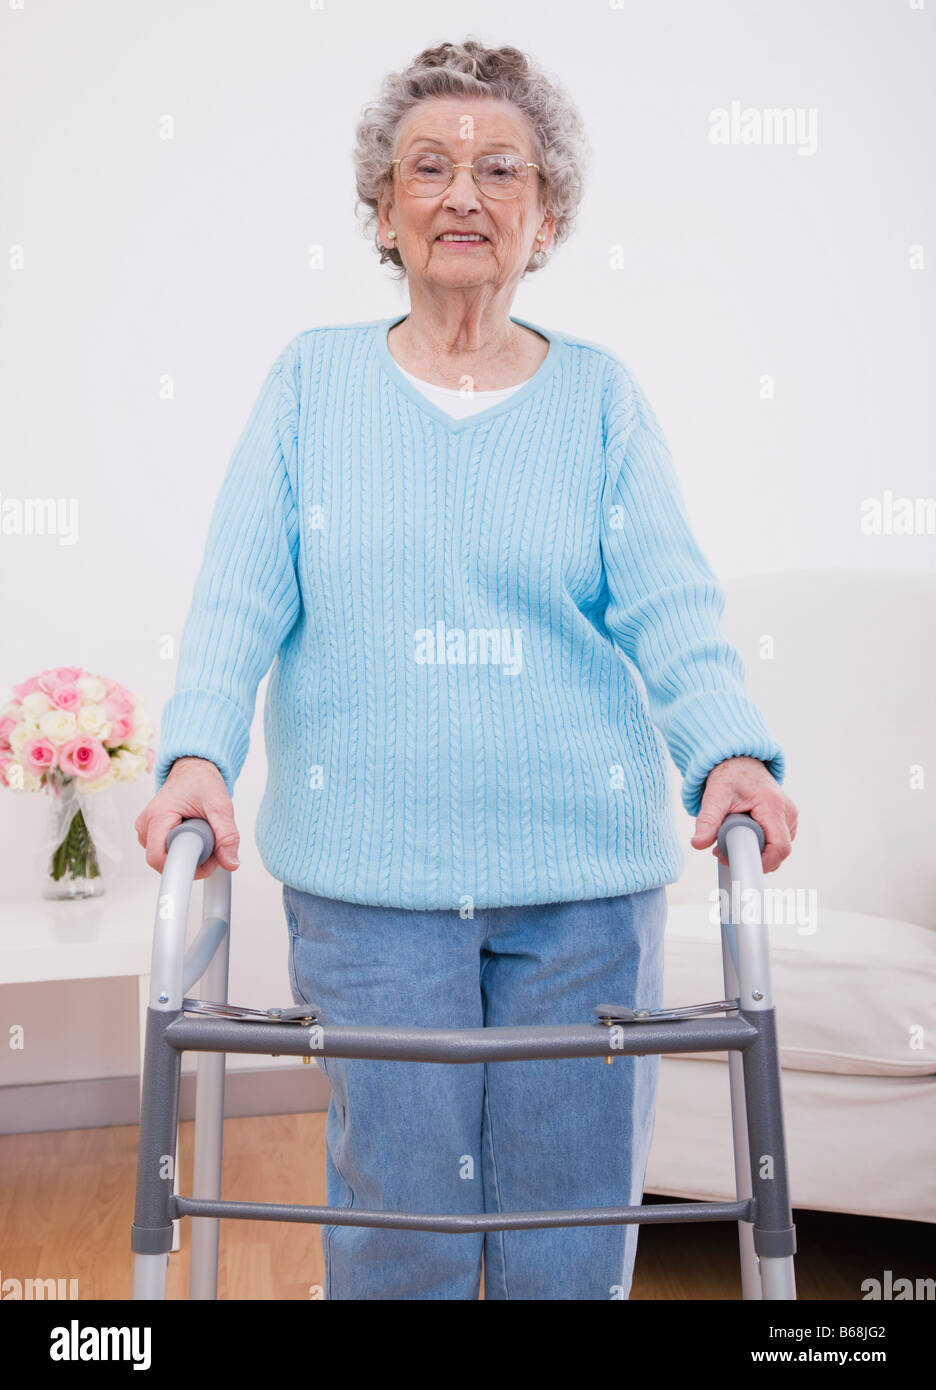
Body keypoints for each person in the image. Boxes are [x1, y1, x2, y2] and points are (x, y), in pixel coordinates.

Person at [136, 38, 798, 1300]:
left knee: (569, 1215)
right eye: (427, 168)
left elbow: (672, 602)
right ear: (382, 211)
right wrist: (194, 756)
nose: (462, 195)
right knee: (399, 1221)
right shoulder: (310, 385)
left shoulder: (601, 399)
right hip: (373, 879)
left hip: (581, 886)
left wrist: (730, 751)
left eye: (501, 169)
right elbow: (236, 597)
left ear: (545, 217)